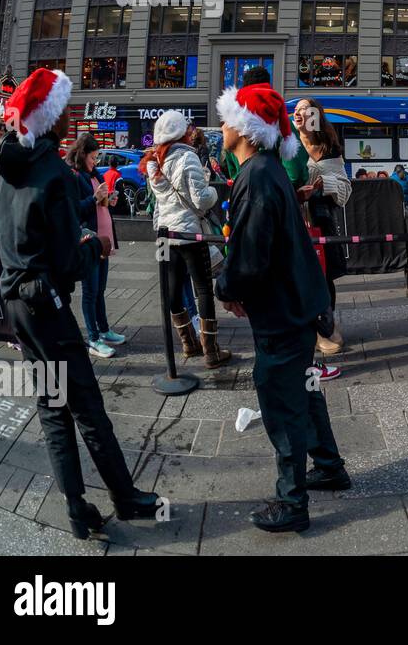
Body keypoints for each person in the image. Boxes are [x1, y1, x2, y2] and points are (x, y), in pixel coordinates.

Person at [0, 67, 159, 539]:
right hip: (47, 303)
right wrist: (91, 244)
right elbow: (69, 261)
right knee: (86, 405)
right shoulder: (53, 173)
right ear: (51, 116)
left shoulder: (14, 163)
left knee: (51, 405)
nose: (73, 114)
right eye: (66, 107)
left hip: (17, 302)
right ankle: (125, 497)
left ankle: (75, 507)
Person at [215, 80, 350, 533]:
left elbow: (249, 256)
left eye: (228, 118)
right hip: (299, 301)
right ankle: (329, 466)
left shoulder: (254, 177)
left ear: (247, 129)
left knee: (280, 400)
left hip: (281, 310)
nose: (221, 125)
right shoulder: (268, 169)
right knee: (305, 387)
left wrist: (226, 285)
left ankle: (291, 501)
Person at [142, 111, 232, 369]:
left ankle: (188, 344)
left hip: (166, 233)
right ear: (181, 133)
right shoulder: (187, 157)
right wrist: (213, 189)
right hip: (190, 233)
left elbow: (160, 202)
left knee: (172, 289)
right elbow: (202, 199)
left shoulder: (154, 161)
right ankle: (211, 351)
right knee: (202, 289)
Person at [294, 98, 351, 358]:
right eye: (297, 109)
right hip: (293, 221)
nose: (300, 112)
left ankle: (324, 328)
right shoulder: (287, 143)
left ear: (316, 115)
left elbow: (345, 190)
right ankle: (309, 329)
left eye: (306, 108)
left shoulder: (329, 146)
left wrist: (322, 184)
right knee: (298, 278)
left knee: (324, 277)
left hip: (320, 222)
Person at [66, 134, 126, 357]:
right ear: (82, 155)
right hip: (89, 240)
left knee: (100, 289)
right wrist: (94, 198)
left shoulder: (93, 173)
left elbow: (99, 201)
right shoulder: (75, 175)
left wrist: (107, 199)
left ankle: (103, 330)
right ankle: (92, 338)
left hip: (103, 239)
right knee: (90, 291)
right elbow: (75, 209)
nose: (96, 160)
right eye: (93, 156)